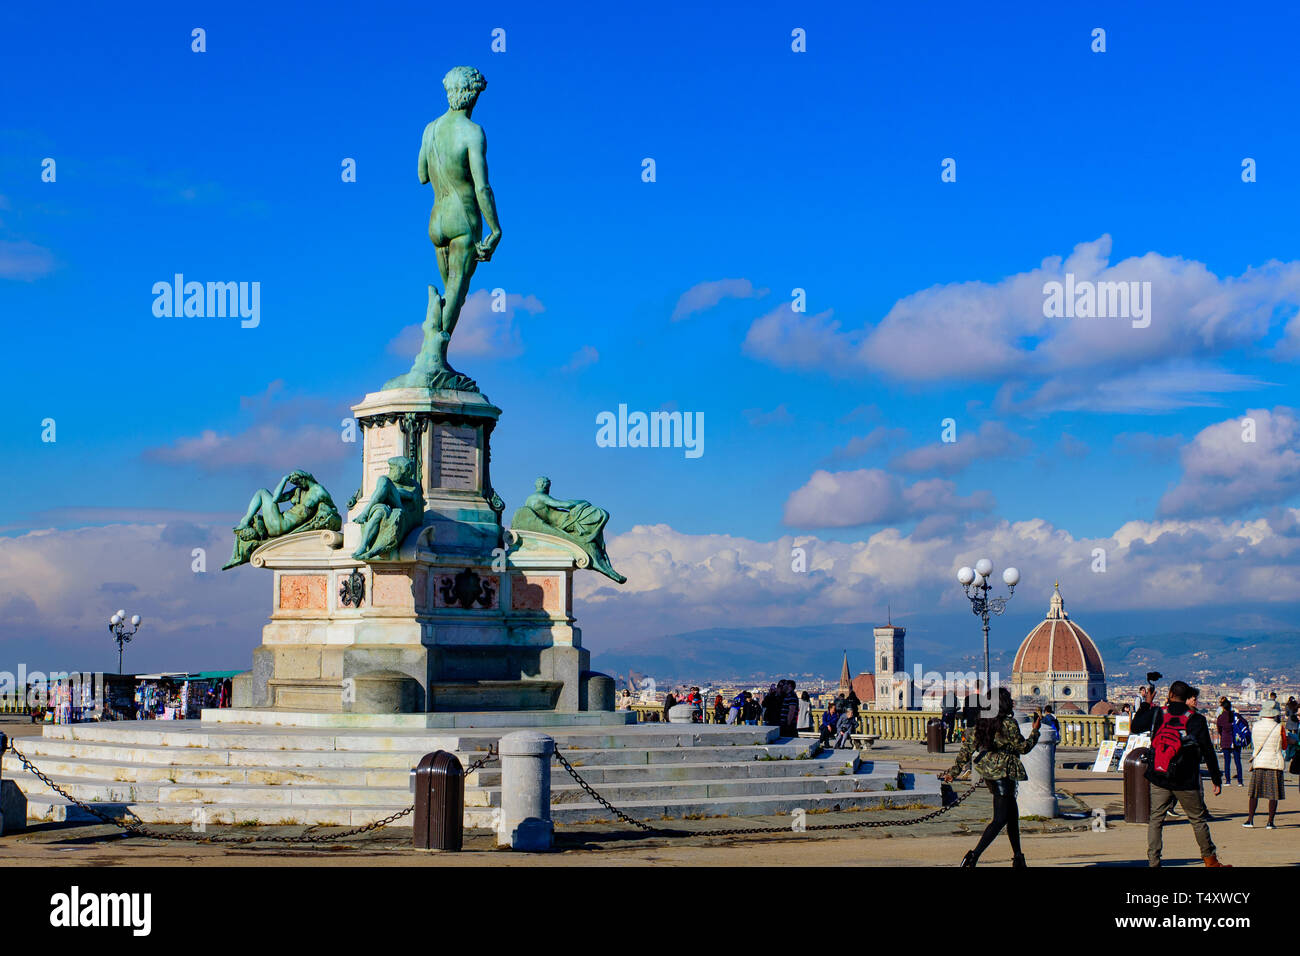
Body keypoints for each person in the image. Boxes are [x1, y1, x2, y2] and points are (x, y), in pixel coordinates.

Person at [1131, 680, 1227, 867]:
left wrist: (1146, 703)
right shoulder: (1196, 719)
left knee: (1156, 819)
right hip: (1186, 778)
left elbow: (1135, 727)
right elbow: (1208, 751)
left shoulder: (1158, 713)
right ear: (1187, 697)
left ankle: (1154, 861)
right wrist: (1216, 779)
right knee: (1197, 820)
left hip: (1159, 775)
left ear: (1170, 695)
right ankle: (1210, 860)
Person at [942, 687, 1039, 867]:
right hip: (1004, 774)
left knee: (1012, 817)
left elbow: (967, 750)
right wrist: (1035, 732)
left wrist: (953, 772)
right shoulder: (1009, 724)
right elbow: (1023, 748)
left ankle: (1018, 858)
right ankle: (973, 857)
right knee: (1000, 820)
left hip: (989, 773)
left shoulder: (982, 723)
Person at [1243, 699, 1288, 829]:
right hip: (1274, 762)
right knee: (1273, 794)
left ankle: (1250, 819)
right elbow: (1284, 745)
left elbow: (1255, 743)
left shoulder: (1256, 726)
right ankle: (1270, 822)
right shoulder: (1280, 727)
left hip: (1260, 761)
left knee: (1254, 793)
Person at [1215, 698, 1244, 787]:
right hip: (1236, 740)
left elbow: (1219, 729)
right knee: (1237, 761)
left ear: (1223, 707)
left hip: (1226, 740)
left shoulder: (1221, 717)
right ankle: (1240, 781)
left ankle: (1228, 781)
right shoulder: (1236, 716)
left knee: (1227, 761)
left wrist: (1223, 734)